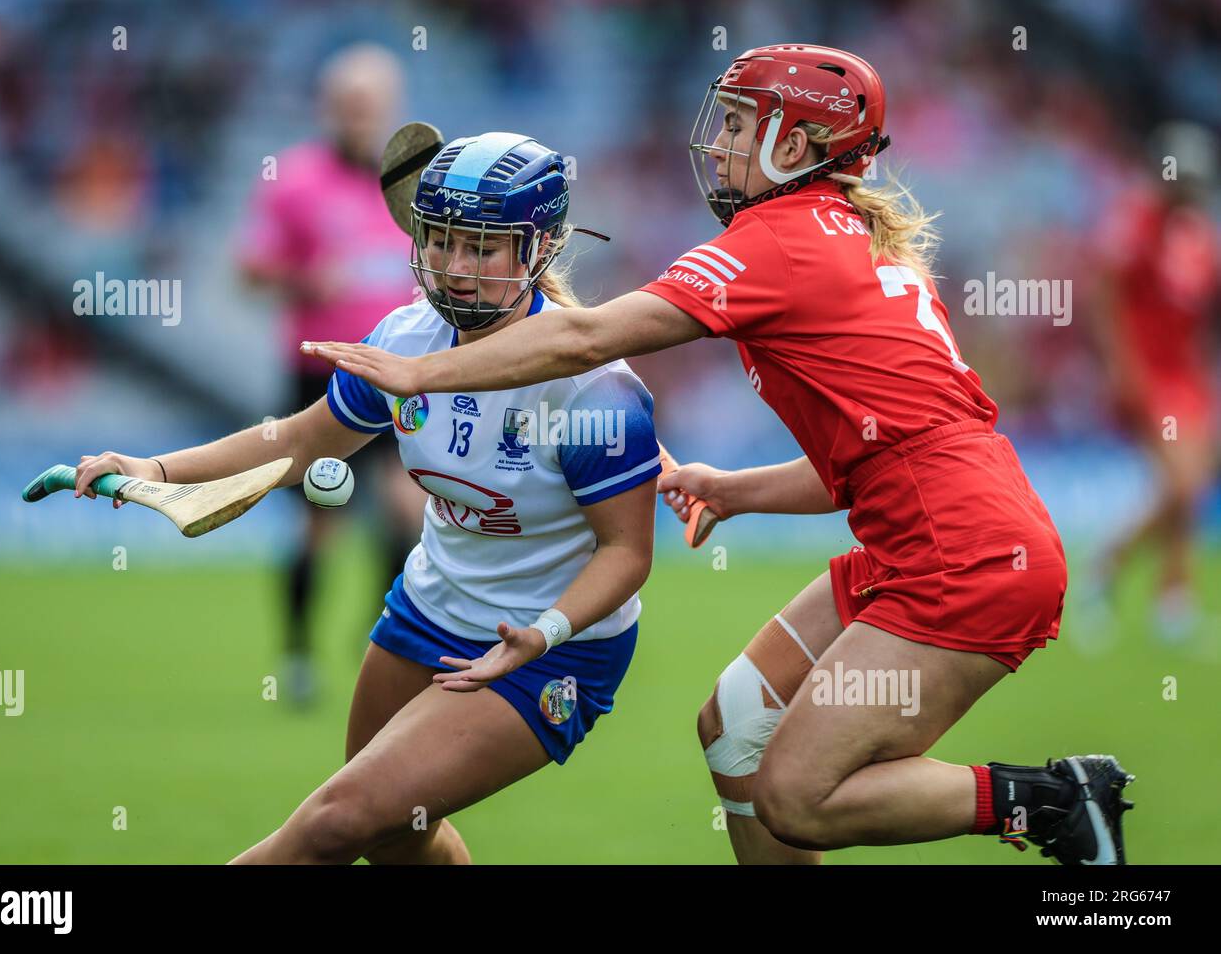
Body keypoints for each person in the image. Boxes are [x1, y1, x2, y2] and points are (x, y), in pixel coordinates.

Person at [311, 44, 1135, 865]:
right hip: (941, 529)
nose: (719, 142)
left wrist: (421, 369)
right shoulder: (838, 231)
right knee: (736, 726)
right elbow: (880, 453)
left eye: (742, 124)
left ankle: (1056, 801)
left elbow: (585, 337)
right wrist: (737, 490)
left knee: (798, 798)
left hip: (964, 554)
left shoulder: (777, 239)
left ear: (798, 144)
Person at [74, 132, 662, 863]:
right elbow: (294, 443)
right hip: (427, 612)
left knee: (332, 823)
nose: (455, 268)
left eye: (483, 248)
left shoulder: (595, 390)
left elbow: (627, 553)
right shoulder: (406, 338)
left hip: (553, 650)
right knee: (395, 842)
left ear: (537, 249)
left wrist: (542, 631)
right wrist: (157, 469)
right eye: (441, 240)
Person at [237, 44, 422, 705]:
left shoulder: (416, 179)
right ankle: (297, 654)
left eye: (369, 105)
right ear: (328, 108)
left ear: (390, 109)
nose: (359, 117)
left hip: (405, 372)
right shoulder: (294, 180)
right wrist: (305, 279)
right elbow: (248, 271)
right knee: (324, 519)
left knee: (411, 511)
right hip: (322, 377)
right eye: (348, 105)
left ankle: (391, 644)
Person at [1089, 122, 1219, 643]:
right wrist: (1122, 370)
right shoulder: (1135, 223)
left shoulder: (1198, 237)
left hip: (1187, 375)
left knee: (1187, 493)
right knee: (1184, 485)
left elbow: (1202, 313)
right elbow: (1105, 300)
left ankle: (1173, 598)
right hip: (1148, 374)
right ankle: (1111, 560)